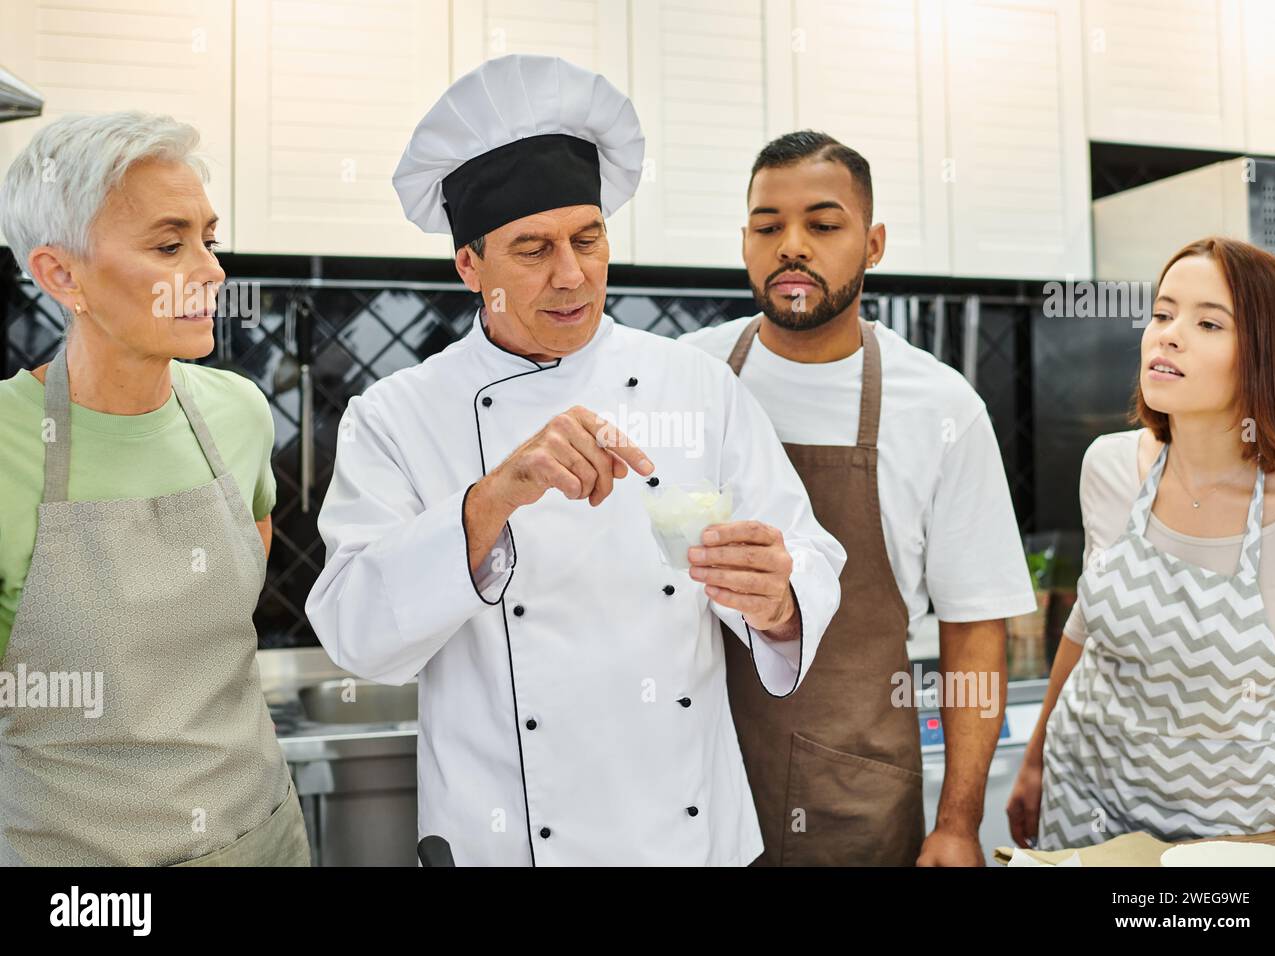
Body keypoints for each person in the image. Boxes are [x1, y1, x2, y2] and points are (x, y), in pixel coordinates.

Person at [305, 56, 845, 866]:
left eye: (588, 239)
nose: (572, 274)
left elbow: (805, 551)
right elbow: (354, 633)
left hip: (686, 838)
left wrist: (779, 599)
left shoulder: (692, 384)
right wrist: (492, 498)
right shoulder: (395, 417)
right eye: (532, 249)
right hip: (508, 841)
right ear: (469, 268)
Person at [678, 131, 1037, 866]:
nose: (791, 246)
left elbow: (975, 631)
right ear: (744, 240)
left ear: (873, 243)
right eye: (768, 226)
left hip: (852, 800)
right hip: (686, 786)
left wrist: (959, 823)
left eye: (823, 223)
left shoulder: (939, 408)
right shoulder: (684, 379)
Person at [0, 111, 309, 865]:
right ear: (59, 274)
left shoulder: (237, 414)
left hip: (260, 837)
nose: (211, 270)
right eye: (171, 245)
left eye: (209, 237)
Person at [1007, 236, 1275, 850]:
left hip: (1235, 836)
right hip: (1084, 805)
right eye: (1162, 314)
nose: (1167, 334)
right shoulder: (1110, 468)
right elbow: (1086, 626)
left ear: (1270, 355)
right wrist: (1033, 759)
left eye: (1208, 322)